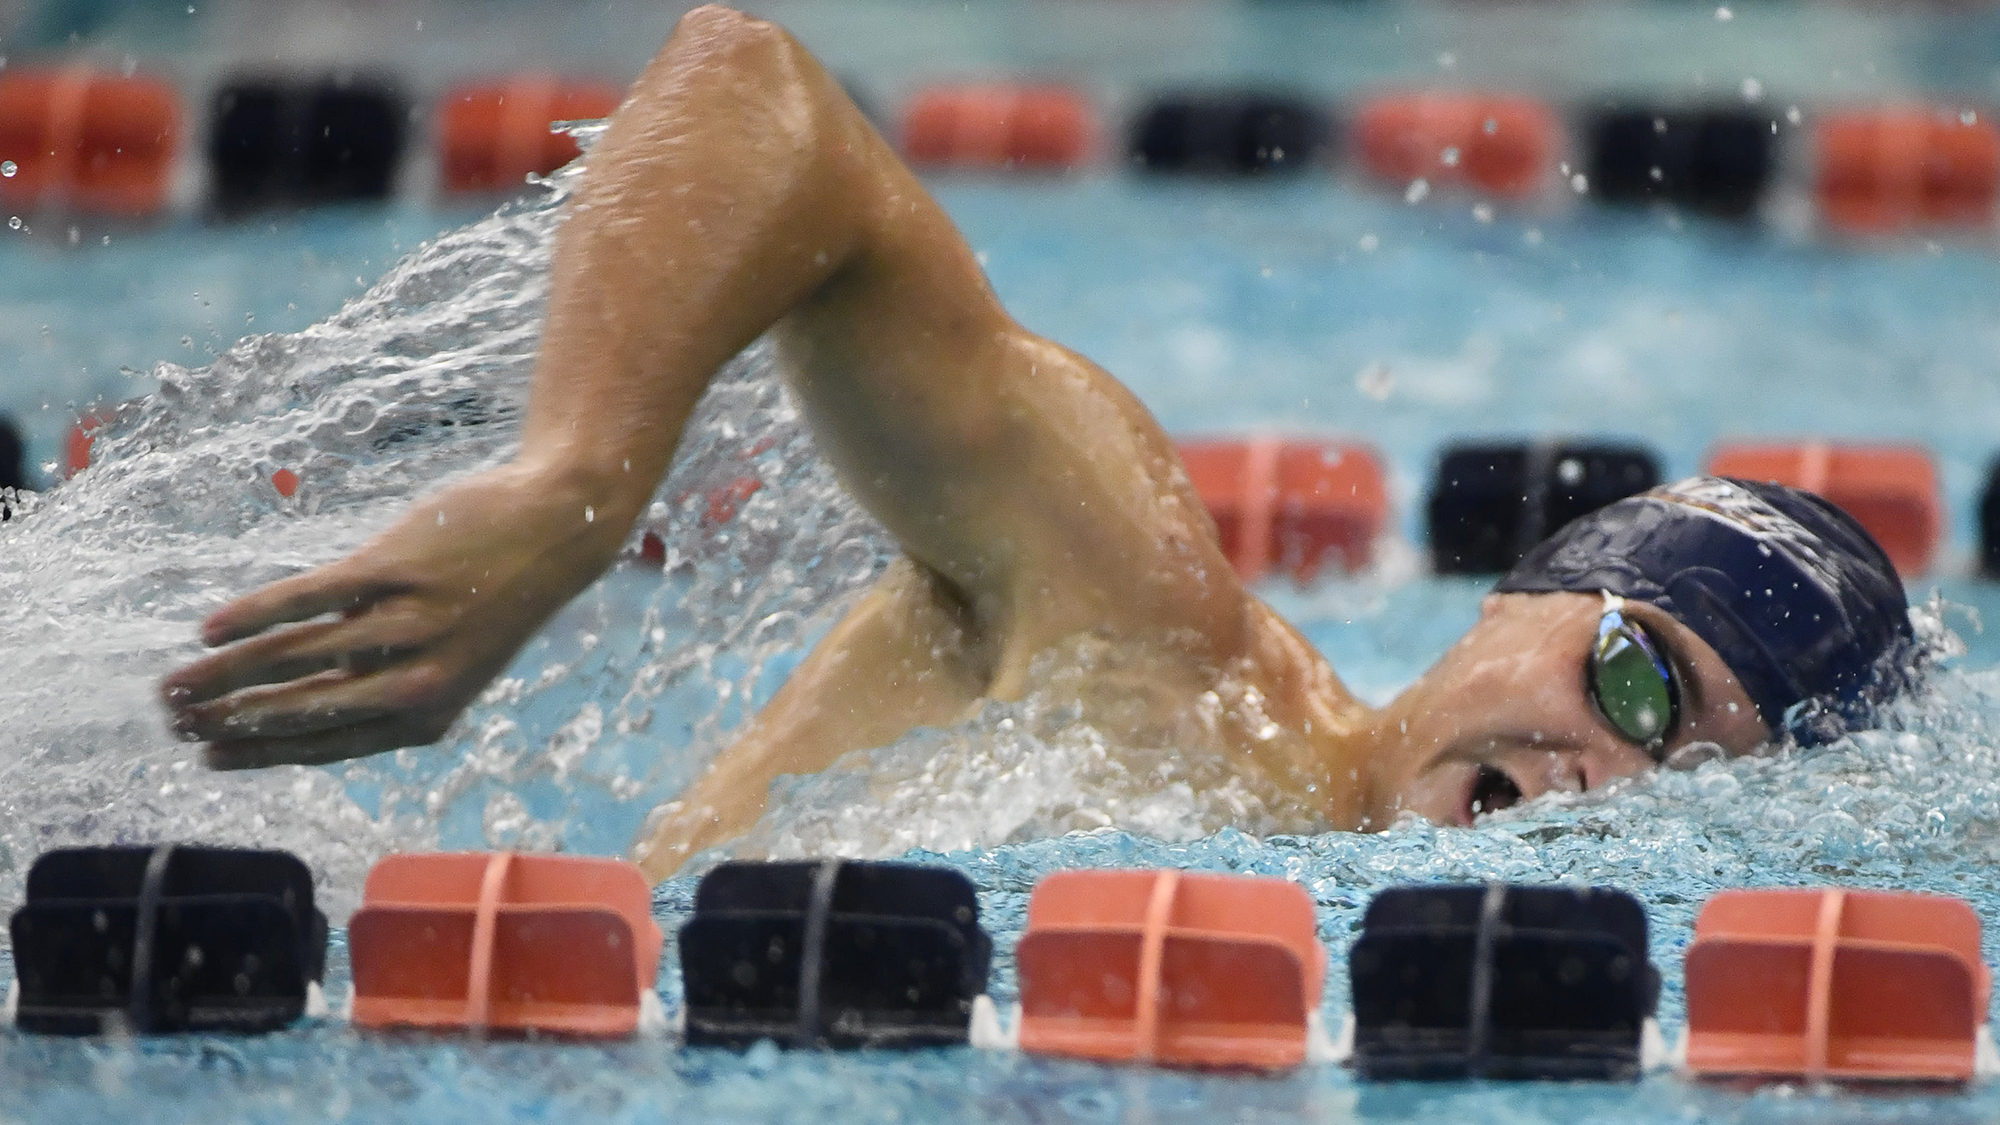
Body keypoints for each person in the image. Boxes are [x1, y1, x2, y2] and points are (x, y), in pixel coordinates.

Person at [158, 6, 1915, 882]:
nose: (1618, 786)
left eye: (1699, 789)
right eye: (1637, 685)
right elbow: (755, 86)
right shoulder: (1145, 628)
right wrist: (572, 483)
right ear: (1511, 603)